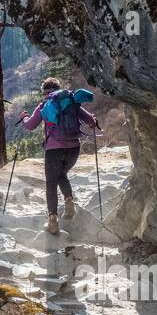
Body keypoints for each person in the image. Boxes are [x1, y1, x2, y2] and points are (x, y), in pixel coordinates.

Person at [20, 77, 98, 235]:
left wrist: (24, 118)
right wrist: (94, 121)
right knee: (61, 174)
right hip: (74, 148)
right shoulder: (71, 100)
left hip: (53, 150)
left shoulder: (44, 104)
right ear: (59, 88)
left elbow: (30, 125)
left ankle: (53, 221)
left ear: (44, 93)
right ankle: (69, 200)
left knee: (51, 183)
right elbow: (90, 121)